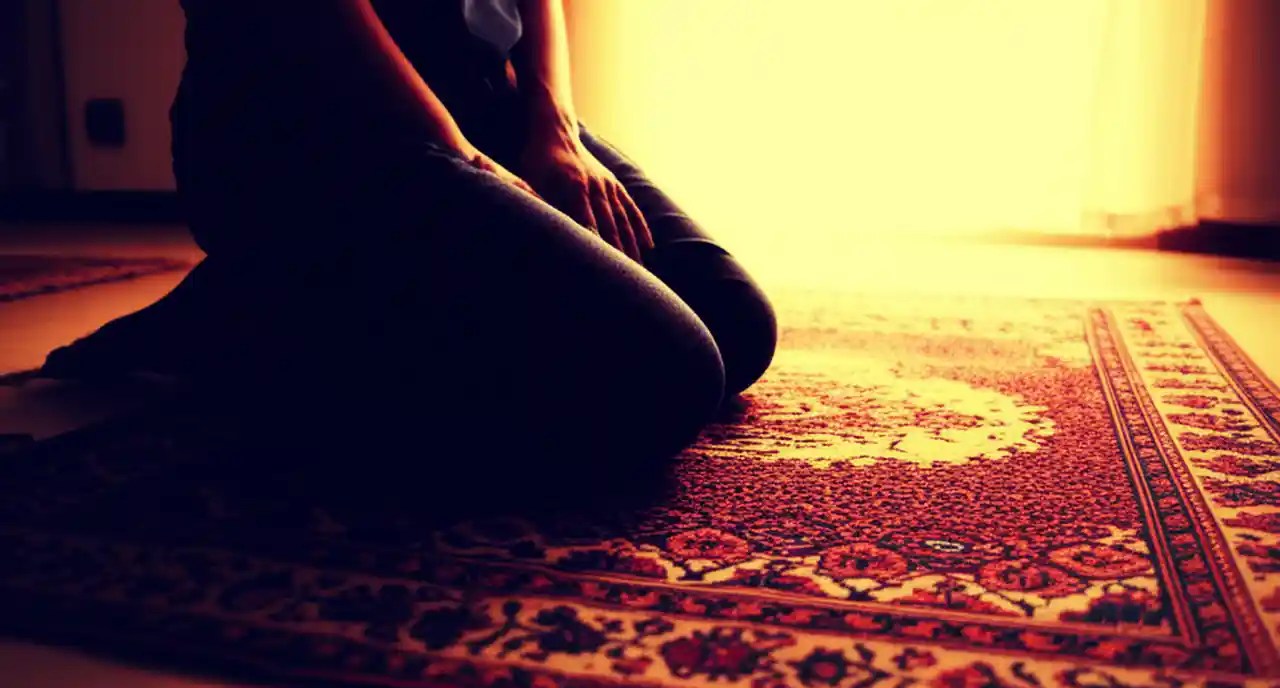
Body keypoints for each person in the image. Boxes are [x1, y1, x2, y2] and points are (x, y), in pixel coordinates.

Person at [42, 0, 777, 483]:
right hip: (317, 125)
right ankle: (255, 315)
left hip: (485, 98)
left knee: (736, 330)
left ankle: (278, 295)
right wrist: (470, 162)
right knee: (666, 377)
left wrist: (551, 129)